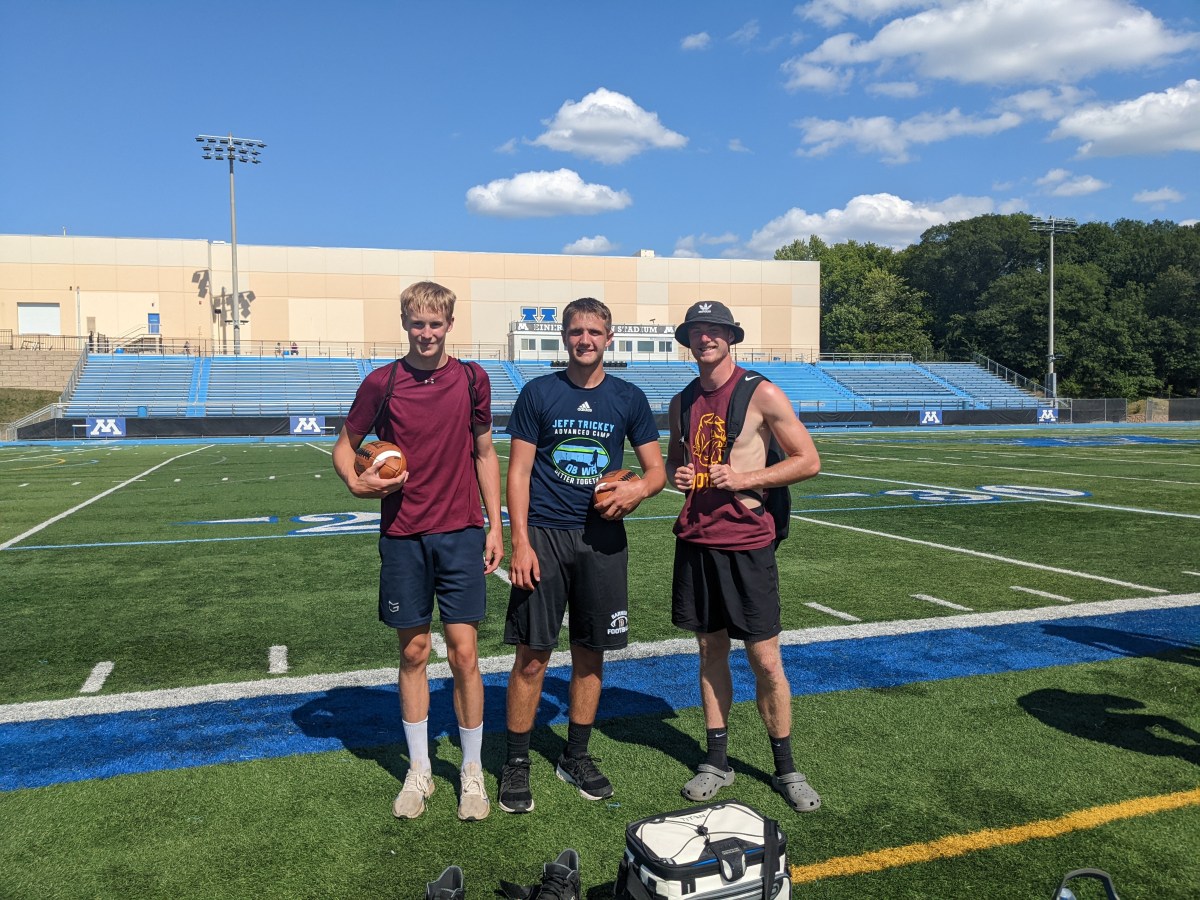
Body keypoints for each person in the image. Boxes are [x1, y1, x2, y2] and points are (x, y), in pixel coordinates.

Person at [332, 281, 503, 822]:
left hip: (460, 532)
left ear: (449, 324)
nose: (426, 333)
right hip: (404, 535)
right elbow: (345, 446)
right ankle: (420, 770)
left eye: (435, 323)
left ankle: (471, 773)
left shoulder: (474, 379)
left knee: (464, 654)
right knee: (412, 654)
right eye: (416, 322)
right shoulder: (381, 382)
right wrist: (354, 484)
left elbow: (484, 453)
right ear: (404, 323)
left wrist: (495, 525)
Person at [499, 297, 666, 814]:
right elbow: (518, 473)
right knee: (532, 655)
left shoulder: (629, 398)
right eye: (576, 332)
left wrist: (637, 492)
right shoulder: (539, 392)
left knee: (591, 652)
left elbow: (656, 472)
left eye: (594, 332)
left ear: (609, 337)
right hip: (546, 536)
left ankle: (576, 754)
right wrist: (519, 541)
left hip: (602, 538)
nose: (585, 340)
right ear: (564, 336)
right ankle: (517, 761)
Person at [666, 301, 823, 813]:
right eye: (697, 331)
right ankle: (717, 760)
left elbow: (809, 461)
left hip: (747, 542)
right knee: (710, 652)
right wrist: (680, 477)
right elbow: (675, 465)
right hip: (696, 539)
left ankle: (786, 768)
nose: (706, 338)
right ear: (688, 340)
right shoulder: (681, 399)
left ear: (730, 337)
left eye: (714, 331)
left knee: (765, 658)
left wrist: (746, 478)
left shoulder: (762, 392)